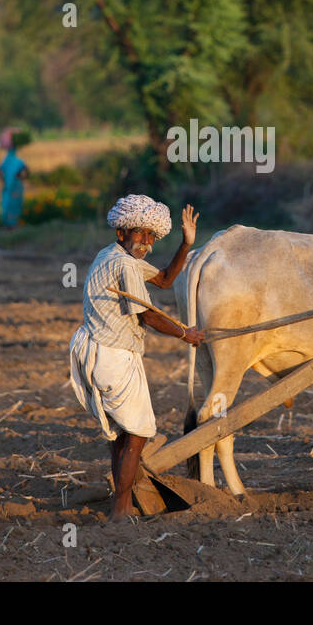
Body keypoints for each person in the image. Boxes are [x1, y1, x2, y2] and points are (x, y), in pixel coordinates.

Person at [69, 194, 205, 520]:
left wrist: (186, 244)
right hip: (114, 356)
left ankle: (123, 500)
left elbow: (164, 279)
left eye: (151, 236)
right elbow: (146, 315)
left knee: (122, 433)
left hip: (98, 351)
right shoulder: (125, 264)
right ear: (121, 233)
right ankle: (120, 508)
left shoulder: (112, 255)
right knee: (140, 432)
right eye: (139, 233)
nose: (145, 242)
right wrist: (186, 333)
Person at [0, 128, 28, 228]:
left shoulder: (6, 161)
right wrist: (20, 177)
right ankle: (12, 224)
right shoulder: (18, 161)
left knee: (7, 204)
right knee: (14, 204)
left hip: (9, 185)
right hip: (16, 185)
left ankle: (8, 224)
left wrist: (4, 181)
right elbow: (26, 172)